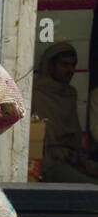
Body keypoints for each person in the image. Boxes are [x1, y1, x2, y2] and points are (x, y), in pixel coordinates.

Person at [32, 42, 98, 183]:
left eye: (73, 65)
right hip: (49, 163)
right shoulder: (35, 93)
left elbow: (74, 136)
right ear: (50, 66)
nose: (70, 70)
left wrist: (82, 161)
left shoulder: (69, 94)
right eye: (64, 65)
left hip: (73, 159)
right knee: (91, 187)